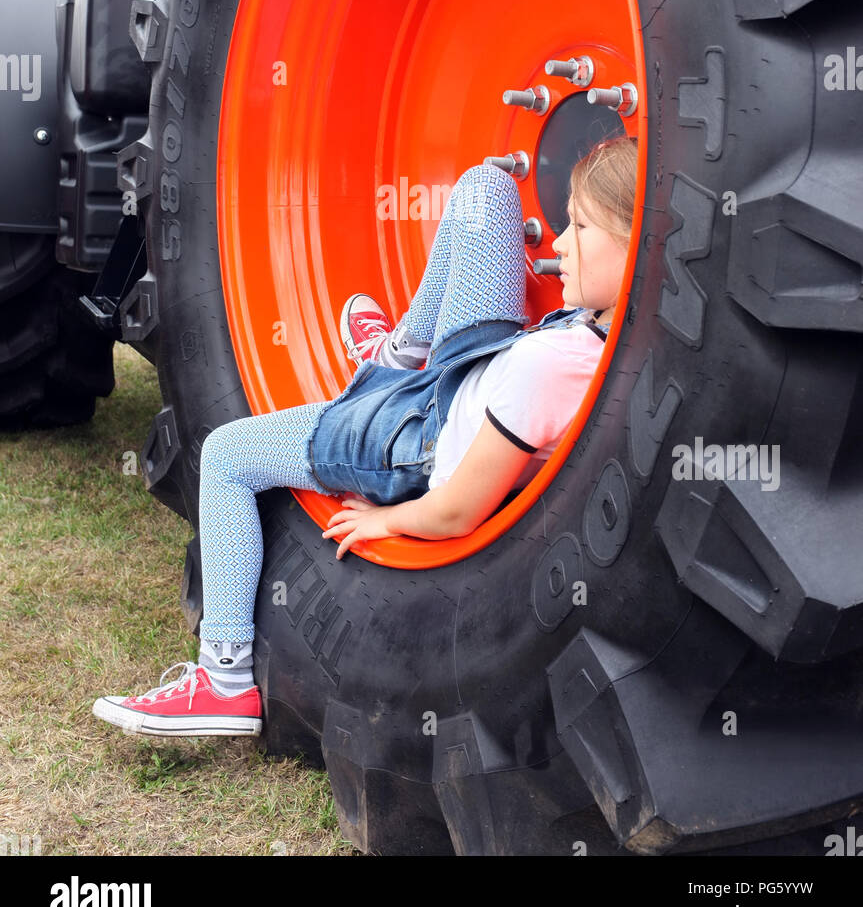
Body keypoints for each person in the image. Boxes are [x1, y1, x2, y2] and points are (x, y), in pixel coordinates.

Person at [92, 135, 637, 737]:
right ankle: (393, 357)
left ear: (633, 244)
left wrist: (389, 520)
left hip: (417, 440)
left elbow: (459, 508)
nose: (558, 245)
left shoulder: (550, 371)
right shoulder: (605, 330)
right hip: (477, 367)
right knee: (486, 187)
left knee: (225, 455)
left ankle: (222, 681)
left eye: (580, 228)